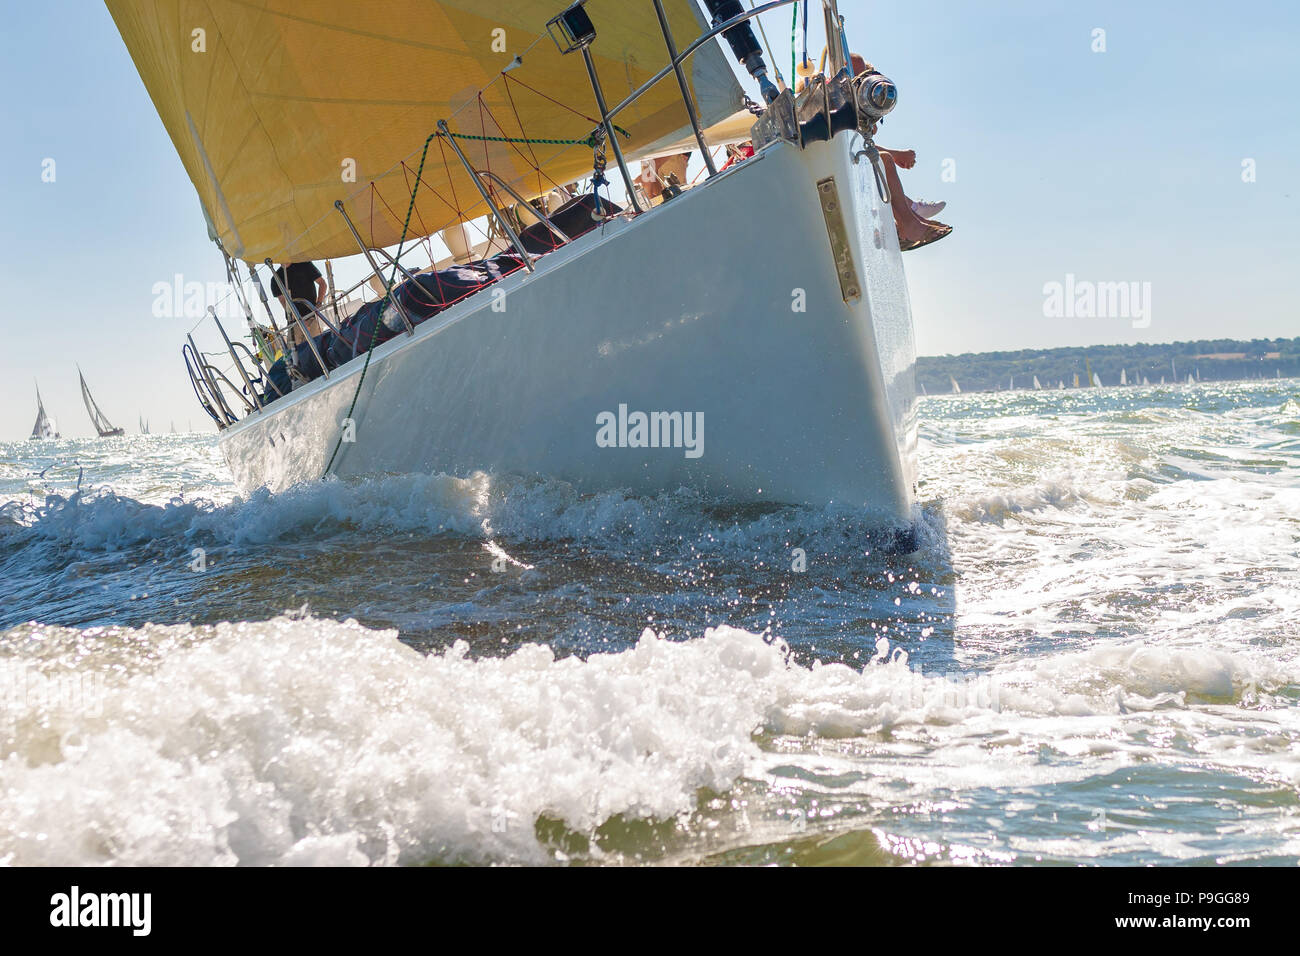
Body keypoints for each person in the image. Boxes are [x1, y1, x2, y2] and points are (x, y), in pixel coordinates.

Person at [270, 261, 328, 346]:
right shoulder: (275, 279)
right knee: (294, 354)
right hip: (294, 322)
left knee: (318, 348)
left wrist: (318, 304)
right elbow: (284, 302)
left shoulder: (305, 264)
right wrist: (299, 319)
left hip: (313, 317)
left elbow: (322, 284)